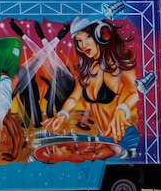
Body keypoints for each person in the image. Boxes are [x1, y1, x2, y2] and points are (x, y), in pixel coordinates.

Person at [42, 18, 140, 150]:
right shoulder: (87, 72)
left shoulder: (119, 66)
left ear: (102, 34)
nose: (83, 45)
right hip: (103, 138)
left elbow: (135, 93)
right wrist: (63, 113)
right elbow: (74, 97)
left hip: (126, 136)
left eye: (88, 37)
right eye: (79, 41)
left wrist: (122, 109)